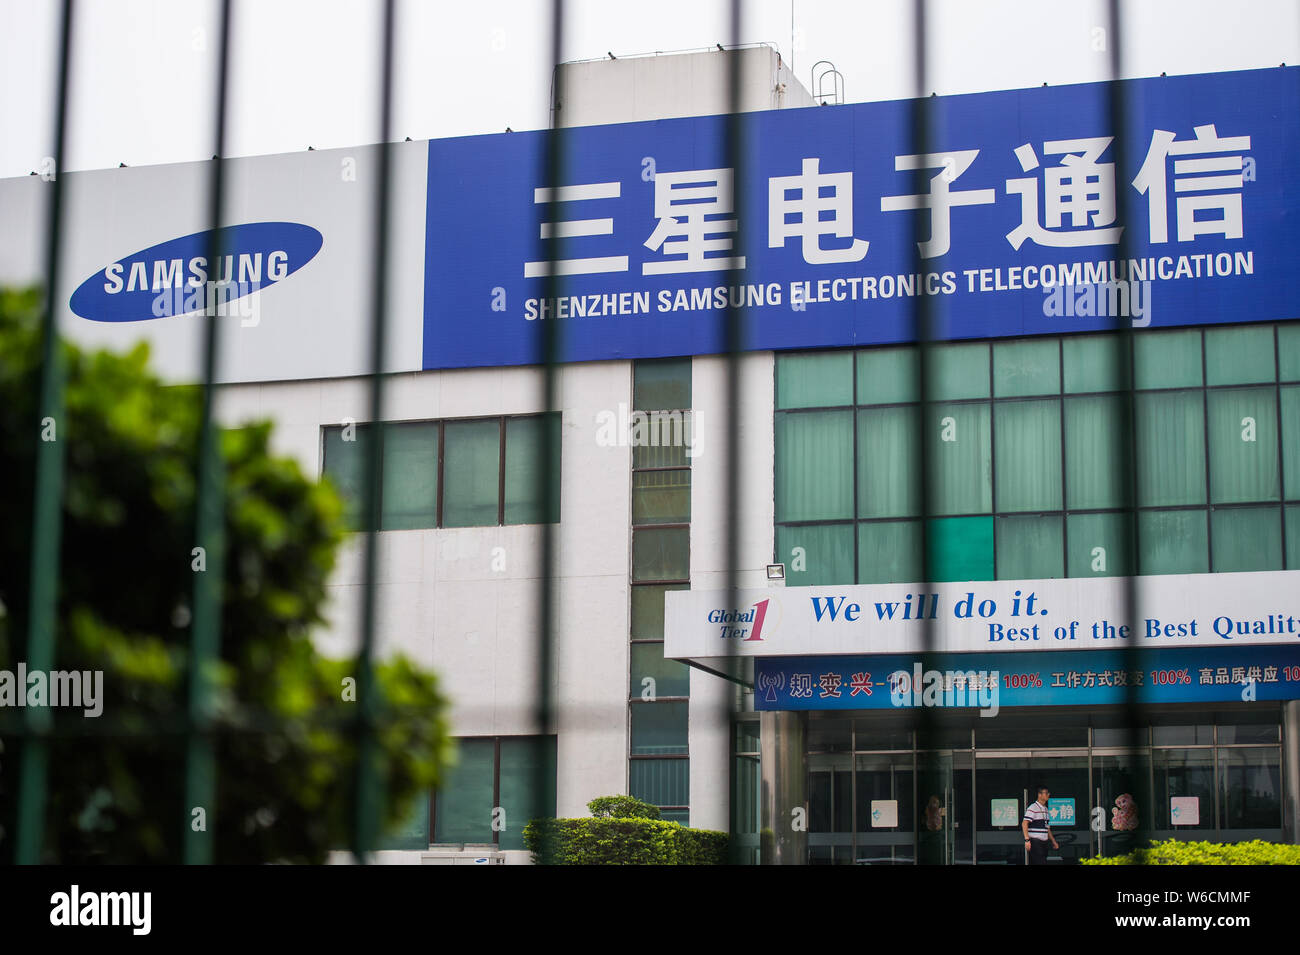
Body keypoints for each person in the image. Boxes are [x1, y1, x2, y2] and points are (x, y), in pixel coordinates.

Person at [1022, 786, 1059, 865]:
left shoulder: (1045, 809)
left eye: (1048, 793)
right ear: (1040, 795)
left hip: (1044, 842)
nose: (1048, 795)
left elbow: (1047, 828)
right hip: (1035, 841)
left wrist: (1053, 841)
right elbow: (1024, 823)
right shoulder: (1033, 807)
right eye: (1046, 793)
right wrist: (1027, 840)